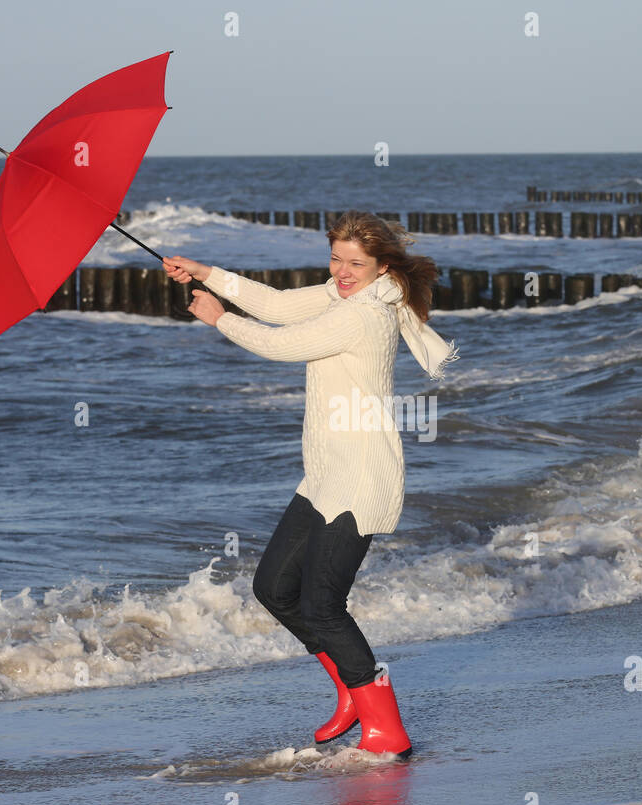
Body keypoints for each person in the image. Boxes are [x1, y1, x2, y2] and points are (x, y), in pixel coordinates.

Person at [161, 211, 458, 760]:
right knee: (274, 588)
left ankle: (386, 729)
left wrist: (220, 319)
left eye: (355, 264)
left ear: (381, 266)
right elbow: (277, 306)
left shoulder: (365, 314)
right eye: (336, 259)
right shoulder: (343, 296)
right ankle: (351, 687)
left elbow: (283, 344)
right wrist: (206, 272)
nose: (342, 272)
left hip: (361, 475)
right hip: (324, 474)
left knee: (323, 606)